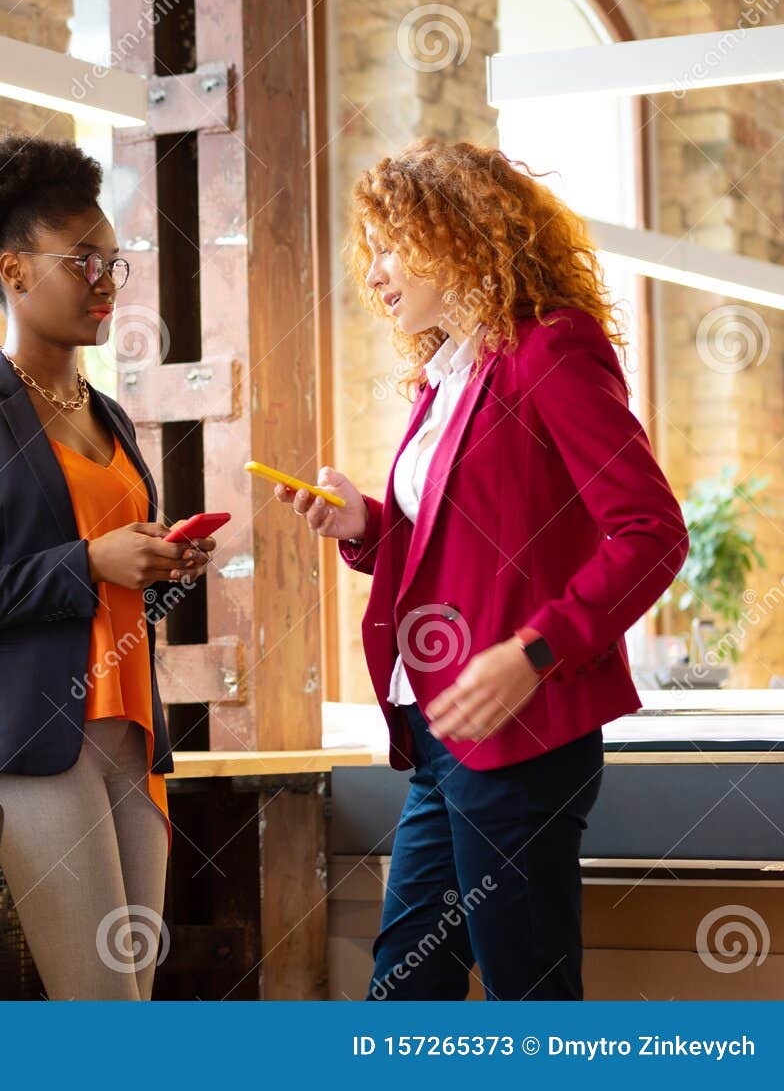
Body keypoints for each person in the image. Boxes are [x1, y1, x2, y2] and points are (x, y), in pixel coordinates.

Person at [277, 138, 688, 1000]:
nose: (377, 271)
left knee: (528, 996)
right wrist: (369, 526)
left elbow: (650, 533)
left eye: (392, 244)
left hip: (524, 734)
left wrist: (534, 649)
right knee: (403, 990)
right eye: (372, 249)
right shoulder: (447, 379)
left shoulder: (550, 350)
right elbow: (466, 550)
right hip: (443, 734)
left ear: (459, 235)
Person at [0, 134, 217, 999]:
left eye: (115, 263)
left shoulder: (111, 415)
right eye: (84, 261)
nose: (106, 282)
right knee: (102, 1009)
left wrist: (161, 563)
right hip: (34, 740)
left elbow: (111, 583)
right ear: (17, 270)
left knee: (132, 1004)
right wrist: (88, 561)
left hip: (130, 732)